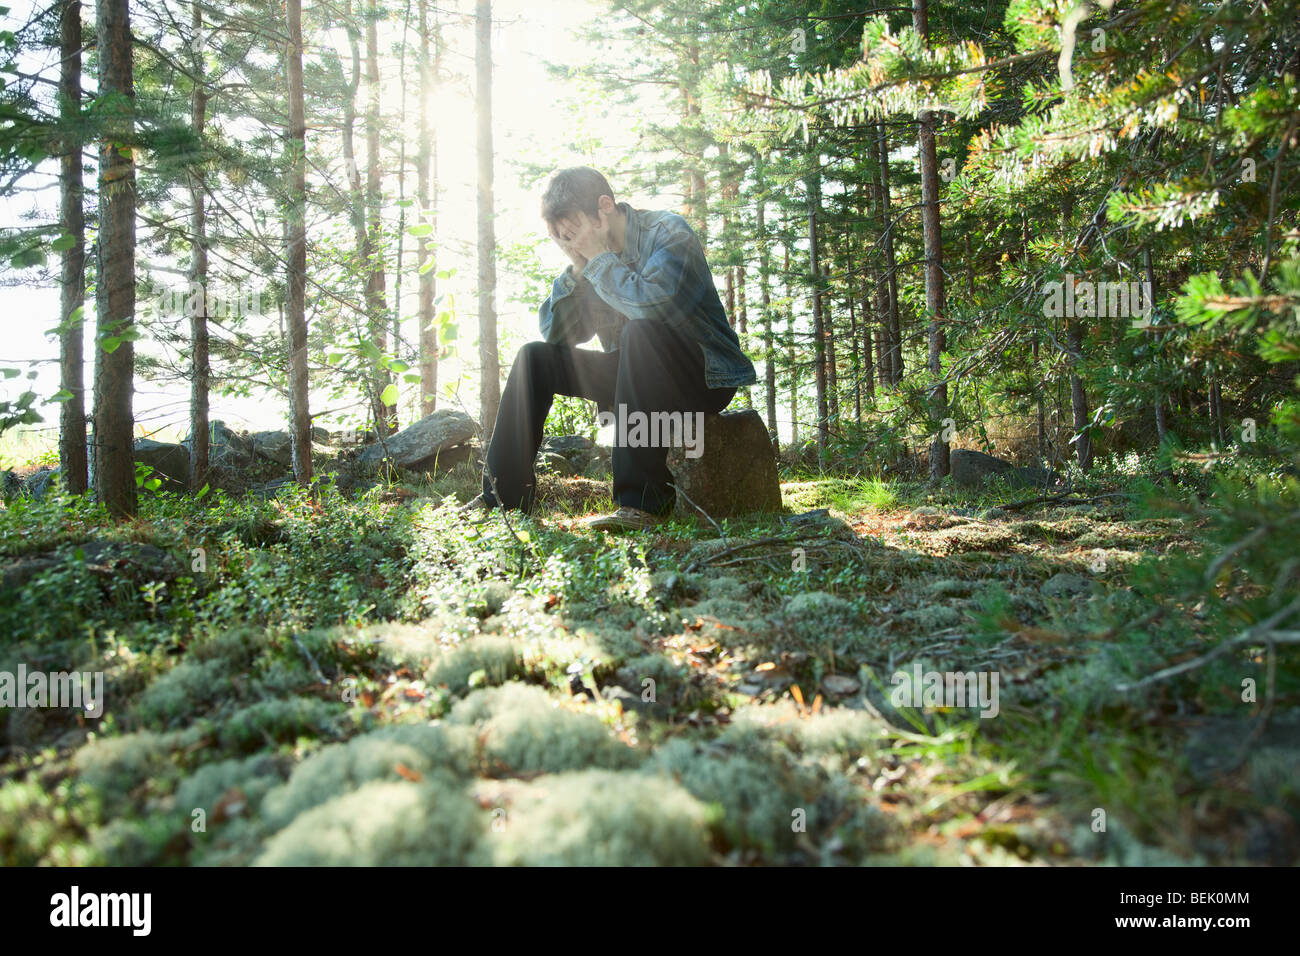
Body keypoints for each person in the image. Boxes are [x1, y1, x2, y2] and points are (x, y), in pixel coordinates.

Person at [463, 166, 756, 531]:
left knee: (639, 331)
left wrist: (599, 260)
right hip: (634, 379)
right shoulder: (588, 259)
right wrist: (576, 271)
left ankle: (641, 505)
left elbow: (650, 307)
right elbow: (557, 334)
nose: (572, 244)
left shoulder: (667, 233)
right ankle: (501, 500)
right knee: (533, 359)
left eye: (574, 233)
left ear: (604, 206)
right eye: (562, 238)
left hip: (703, 376)